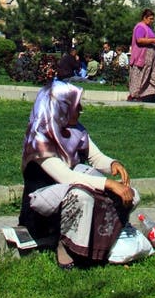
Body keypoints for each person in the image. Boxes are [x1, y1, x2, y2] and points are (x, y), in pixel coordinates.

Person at [19, 77, 137, 268]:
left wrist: (113, 164)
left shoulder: (75, 130)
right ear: (61, 107)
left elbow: (96, 157)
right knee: (81, 197)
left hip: (74, 187)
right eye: (76, 104)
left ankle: (102, 247)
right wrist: (108, 184)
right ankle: (67, 247)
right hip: (44, 206)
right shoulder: (39, 138)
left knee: (130, 195)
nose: (80, 109)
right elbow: (66, 177)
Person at [128, 9, 155, 103]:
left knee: (154, 74)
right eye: (150, 19)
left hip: (151, 58)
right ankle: (134, 95)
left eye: (153, 19)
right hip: (142, 57)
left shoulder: (148, 27)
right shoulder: (140, 27)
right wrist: (154, 41)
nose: (152, 21)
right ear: (144, 18)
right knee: (140, 75)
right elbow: (139, 40)